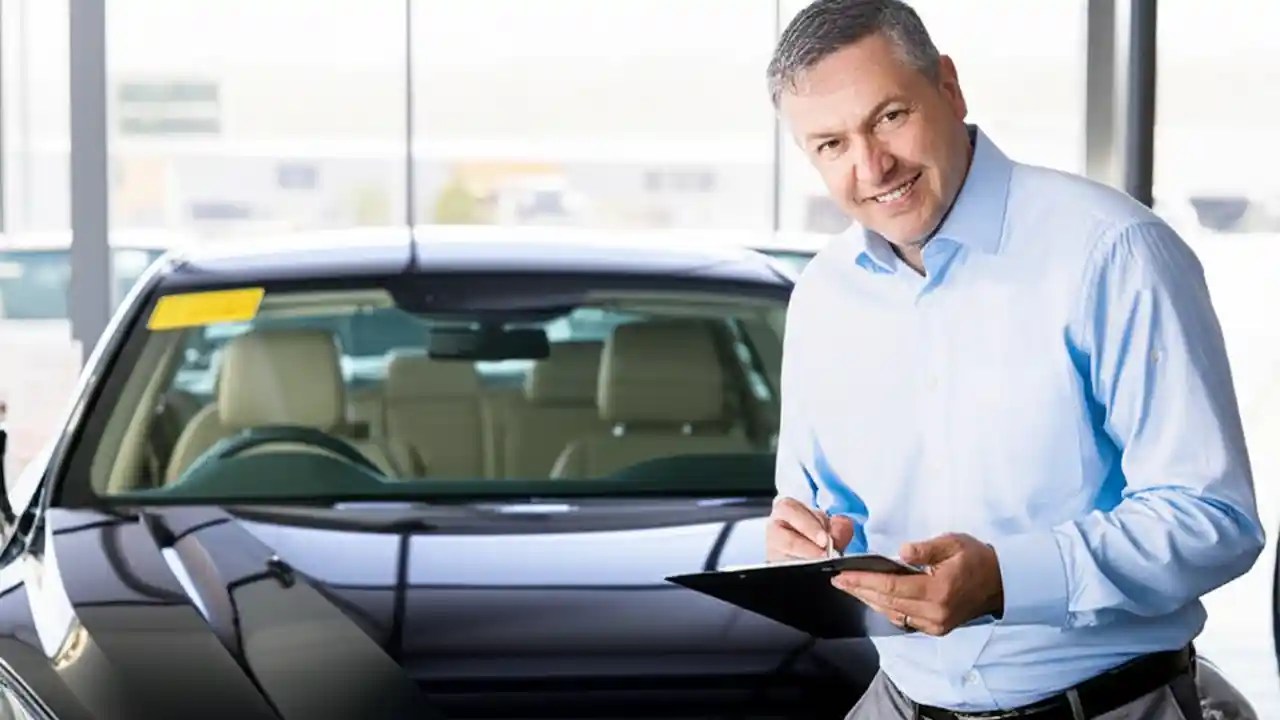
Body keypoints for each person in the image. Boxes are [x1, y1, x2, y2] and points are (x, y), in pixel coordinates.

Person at [763, 1, 1265, 718]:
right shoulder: (822, 297)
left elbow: (1213, 519)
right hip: (900, 701)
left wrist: (1005, 580)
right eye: (830, 145)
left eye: (888, 117)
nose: (872, 166)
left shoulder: (1112, 251)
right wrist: (802, 545)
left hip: (1107, 703)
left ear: (948, 86)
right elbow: (820, 510)